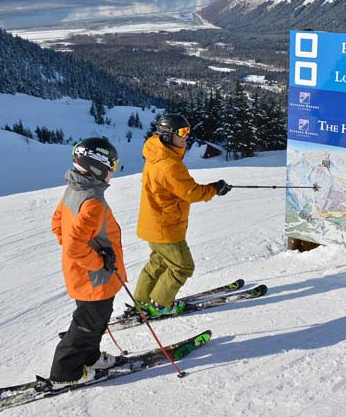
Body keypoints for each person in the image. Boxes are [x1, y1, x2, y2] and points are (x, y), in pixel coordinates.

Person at [132, 114, 231, 318]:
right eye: (182, 133)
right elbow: (191, 192)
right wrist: (215, 188)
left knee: (159, 262)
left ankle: (141, 301)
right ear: (168, 135)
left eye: (188, 131)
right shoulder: (168, 164)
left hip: (154, 222)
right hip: (166, 225)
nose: (187, 136)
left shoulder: (157, 153)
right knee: (182, 266)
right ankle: (161, 305)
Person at [48, 137, 126, 386]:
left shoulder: (75, 188)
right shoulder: (92, 200)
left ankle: (90, 357)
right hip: (94, 277)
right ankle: (65, 374)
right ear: (98, 166)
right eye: (112, 166)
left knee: (97, 321)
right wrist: (97, 261)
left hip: (85, 273)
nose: (113, 172)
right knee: (86, 326)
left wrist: (83, 254)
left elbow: (58, 222)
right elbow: (74, 244)